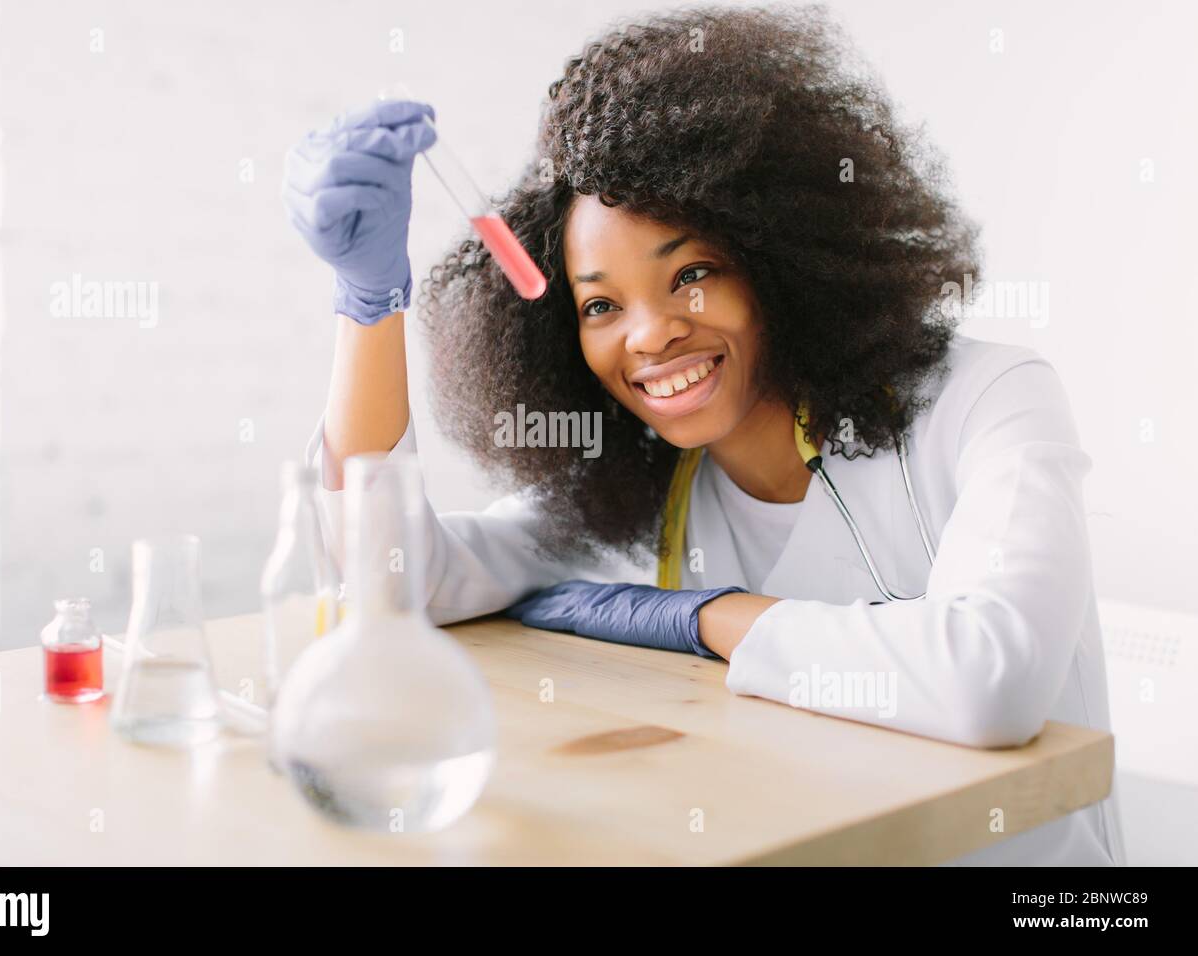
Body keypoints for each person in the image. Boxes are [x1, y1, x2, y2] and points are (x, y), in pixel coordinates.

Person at [281, 6, 1125, 865]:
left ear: (780, 261)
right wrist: (368, 303)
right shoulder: (642, 482)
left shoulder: (990, 399)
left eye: (691, 274)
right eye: (601, 305)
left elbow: (994, 683)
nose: (648, 336)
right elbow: (391, 575)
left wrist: (700, 619)